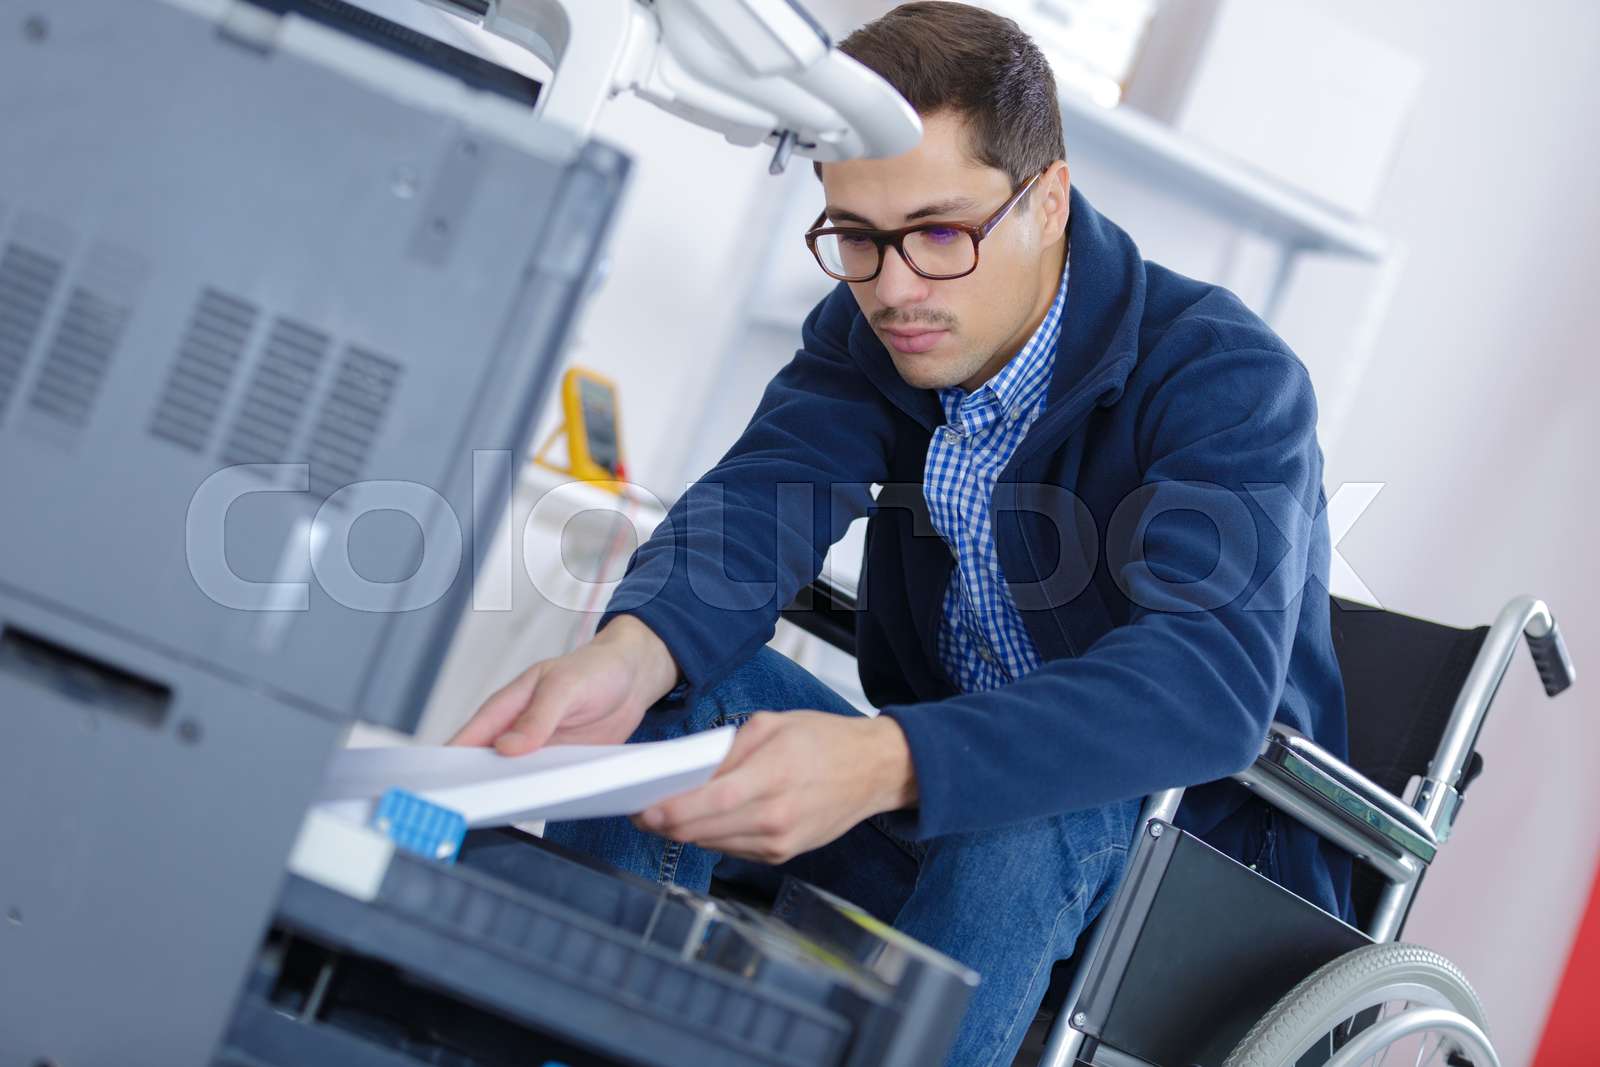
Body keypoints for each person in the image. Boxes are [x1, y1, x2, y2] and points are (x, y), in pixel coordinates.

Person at [452, 3, 1351, 1063]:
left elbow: (1203, 681)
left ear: (1047, 200)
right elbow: (761, 500)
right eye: (857, 238)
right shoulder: (877, 327)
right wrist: (628, 651)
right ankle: (565, 1043)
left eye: (938, 233)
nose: (893, 288)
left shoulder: (1221, 374)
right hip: (943, 811)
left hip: (1182, 877)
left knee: (1021, 824)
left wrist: (888, 756)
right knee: (676, 689)